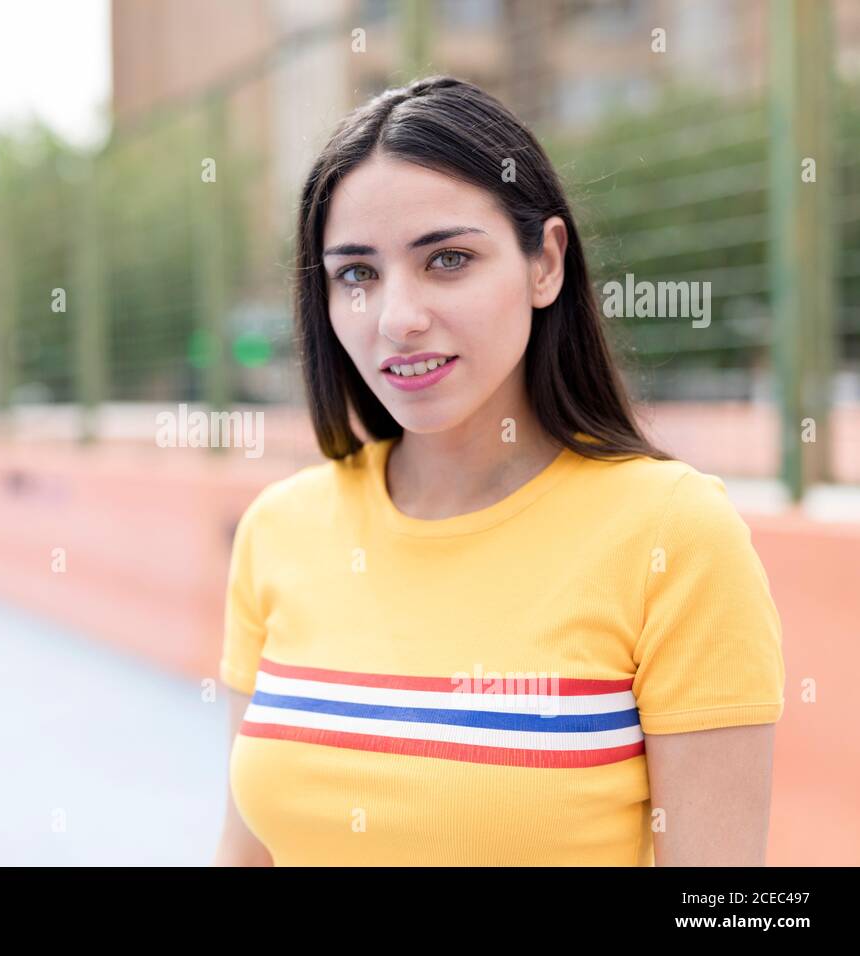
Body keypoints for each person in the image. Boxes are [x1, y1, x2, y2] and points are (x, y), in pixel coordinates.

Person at [211, 75, 785, 867]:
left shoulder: (673, 534)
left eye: (447, 259)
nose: (398, 318)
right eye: (357, 273)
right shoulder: (281, 529)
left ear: (545, 262)